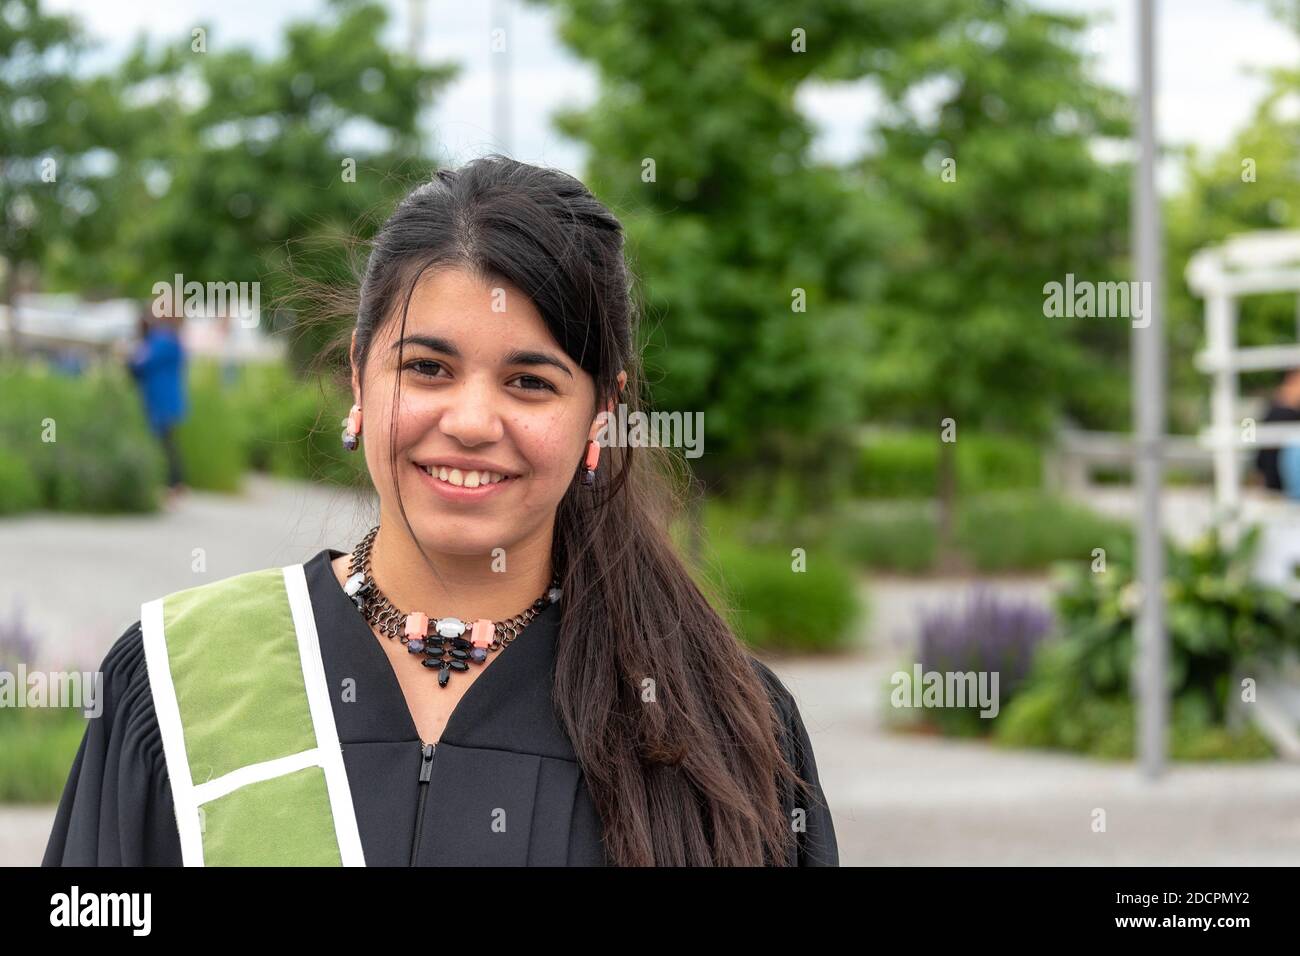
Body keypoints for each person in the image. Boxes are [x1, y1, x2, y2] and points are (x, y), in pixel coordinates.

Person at [43, 156, 839, 867]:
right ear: (360, 377)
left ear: (602, 413)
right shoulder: (179, 684)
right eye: (427, 367)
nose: (470, 421)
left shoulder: (722, 731)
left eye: (530, 382)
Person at [126, 307, 189, 501]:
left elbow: (141, 363)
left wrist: (129, 359)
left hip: (160, 399)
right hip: (165, 398)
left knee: (164, 442)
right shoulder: (172, 339)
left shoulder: (161, 340)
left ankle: (172, 485)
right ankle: (174, 484)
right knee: (167, 442)